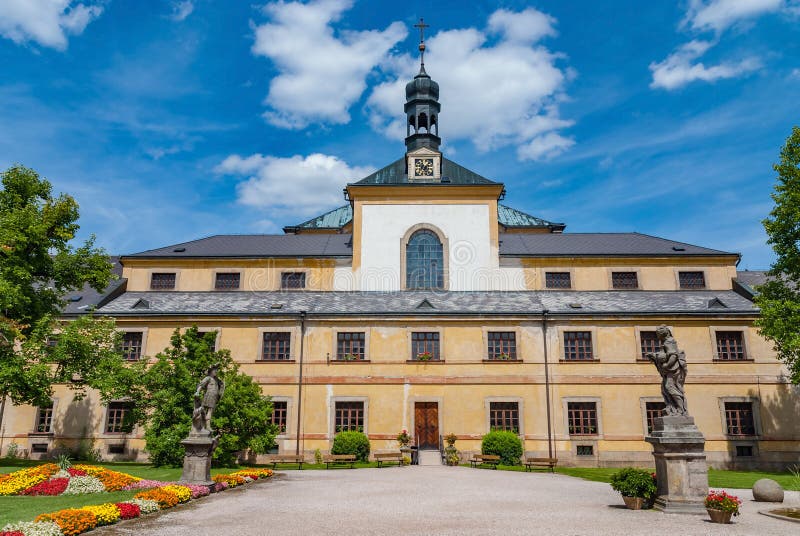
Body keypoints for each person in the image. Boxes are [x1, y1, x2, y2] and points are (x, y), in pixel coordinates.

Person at [645, 325, 688, 416]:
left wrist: (667, 365)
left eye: (659, 332)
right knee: (665, 389)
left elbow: (673, 356)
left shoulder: (669, 341)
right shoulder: (666, 342)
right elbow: (665, 355)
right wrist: (654, 356)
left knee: (670, 387)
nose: (657, 335)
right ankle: (672, 407)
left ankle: (681, 410)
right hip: (669, 371)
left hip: (673, 370)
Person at [194, 364, 225, 432]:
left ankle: (205, 424)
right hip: (209, 395)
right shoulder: (208, 378)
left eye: (216, 370)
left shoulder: (216, 379)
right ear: (211, 371)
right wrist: (197, 392)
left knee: (208, 411)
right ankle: (205, 425)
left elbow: (222, 385)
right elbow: (201, 385)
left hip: (214, 397)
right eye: (215, 370)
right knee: (207, 410)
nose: (216, 372)